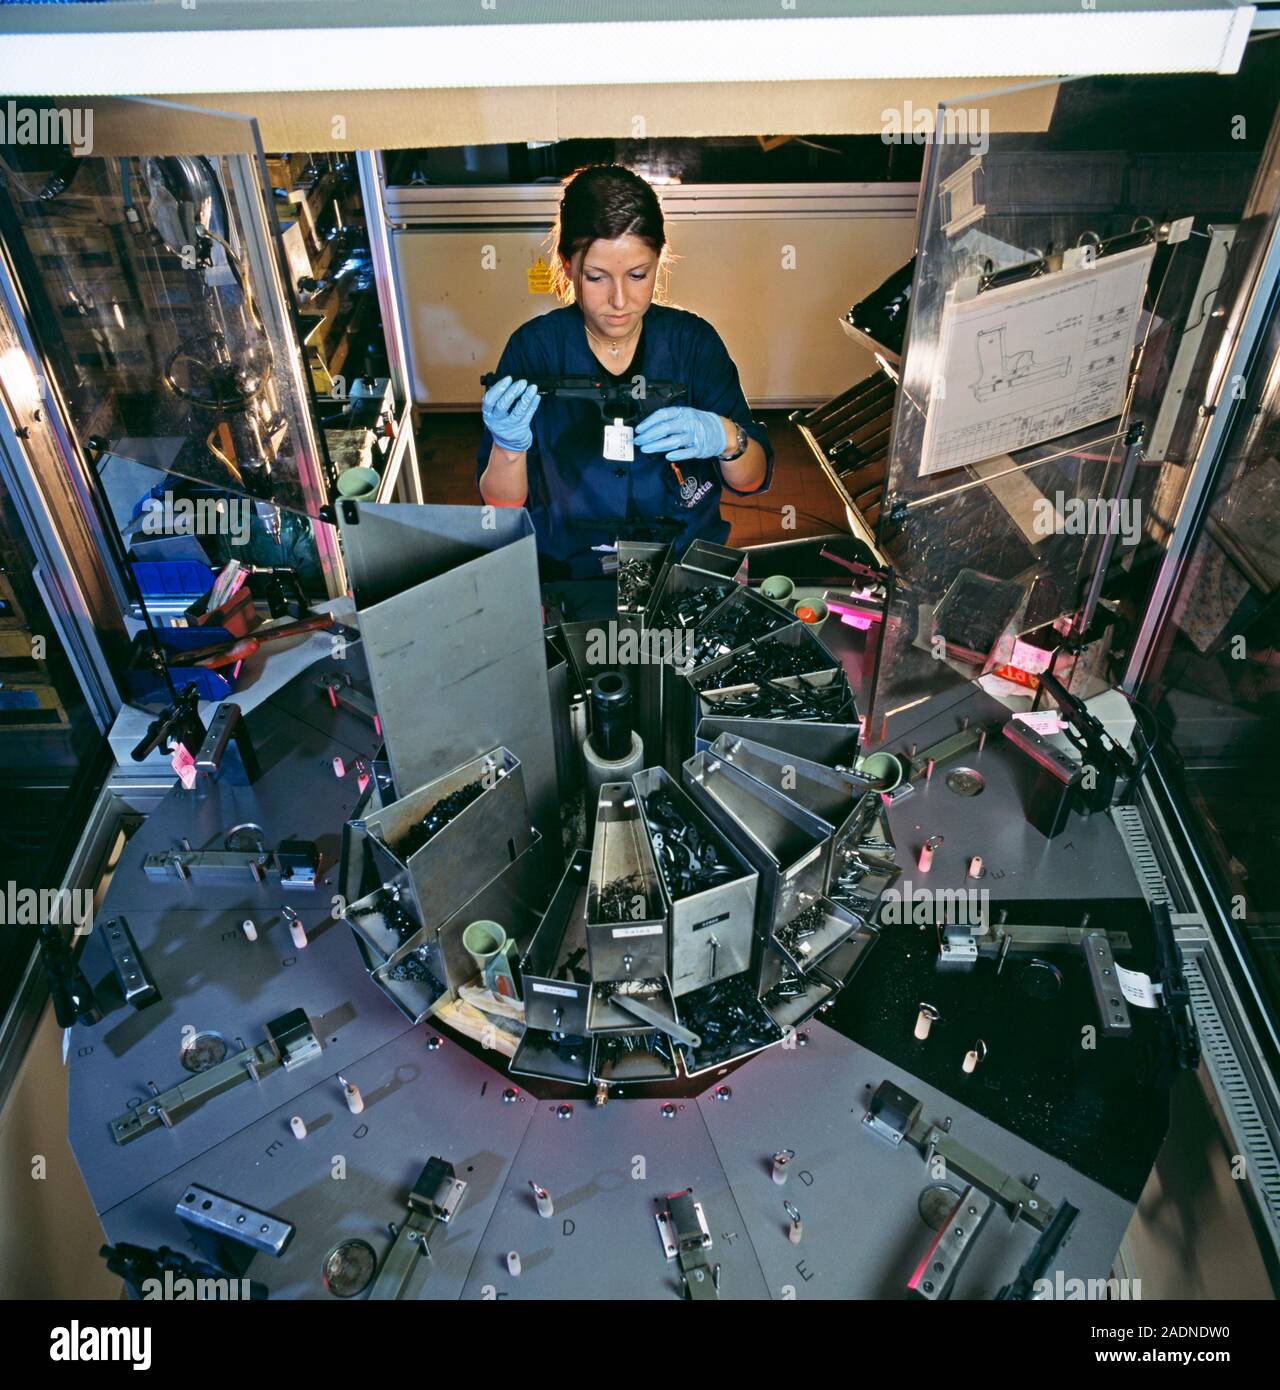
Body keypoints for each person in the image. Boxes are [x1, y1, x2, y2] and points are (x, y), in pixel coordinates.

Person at [477, 163, 772, 580]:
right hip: (570, 571)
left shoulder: (692, 344)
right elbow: (503, 505)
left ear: (659, 260)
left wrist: (726, 437)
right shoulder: (535, 351)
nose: (620, 300)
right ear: (567, 267)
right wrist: (508, 446)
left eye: (638, 275)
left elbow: (750, 480)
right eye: (596, 277)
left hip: (684, 566)